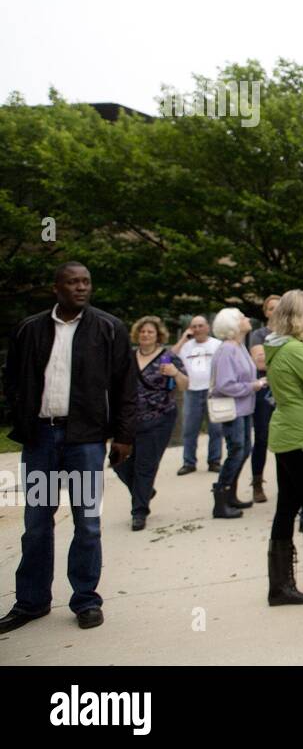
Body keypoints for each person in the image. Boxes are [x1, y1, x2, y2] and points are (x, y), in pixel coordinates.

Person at [0, 262, 135, 633]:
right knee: (37, 523)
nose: (81, 288)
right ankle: (31, 601)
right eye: (73, 282)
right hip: (41, 439)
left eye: (86, 282)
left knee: (87, 523)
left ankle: (86, 600)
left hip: (86, 442)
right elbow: (11, 378)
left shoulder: (109, 328)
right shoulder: (30, 329)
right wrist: (21, 414)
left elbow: (126, 386)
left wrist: (123, 435)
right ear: (56, 287)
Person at [262, 289, 303, 607]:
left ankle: (283, 582)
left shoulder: (275, 346)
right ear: (302, 315)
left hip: (286, 431)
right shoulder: (296, 351)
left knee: (288, 505)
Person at [114, 316, 189, 532]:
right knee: (117, 462)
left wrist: (175, 373)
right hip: (129, 420)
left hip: (158, 419)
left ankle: (139, 512)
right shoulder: (128, 357)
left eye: (150, 332)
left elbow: (185, 385)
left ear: (158, 336)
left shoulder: (168, 357)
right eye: (143, 331)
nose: (146, 335)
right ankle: (145, 491)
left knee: (144, 466)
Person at [208, 308, 265, 518]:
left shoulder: (239, 347)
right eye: (242, 317)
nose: (247, 318)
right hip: (233, 409)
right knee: (237, 451)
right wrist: (254, 386)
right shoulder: (228, 350)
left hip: (242, 408)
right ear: (232, 324)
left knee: (243, 450)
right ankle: (221, 496)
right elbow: (225, 384)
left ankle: (229, 494)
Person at [174, 314, 223, 475]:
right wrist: (183, 340)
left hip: (212, 391)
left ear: (207, 327)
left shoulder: (217, 344)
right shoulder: (186, 346)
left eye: (200, 325)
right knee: (190, 429)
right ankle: (189, 462)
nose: (197, 329)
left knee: (215, 429)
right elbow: (169, 357)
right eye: (194, 326)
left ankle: (214, 461)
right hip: (192, 391)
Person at [246, 294, 281, 504]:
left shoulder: (290, 333)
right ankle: (257, 482)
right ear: (265, 312)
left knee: (285, 441)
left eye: (279, 308)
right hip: (264, 392)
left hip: (284, 390)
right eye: (270, 308)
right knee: (261, 438)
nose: (275, 312)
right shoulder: (259, 334)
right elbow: (259, 363)